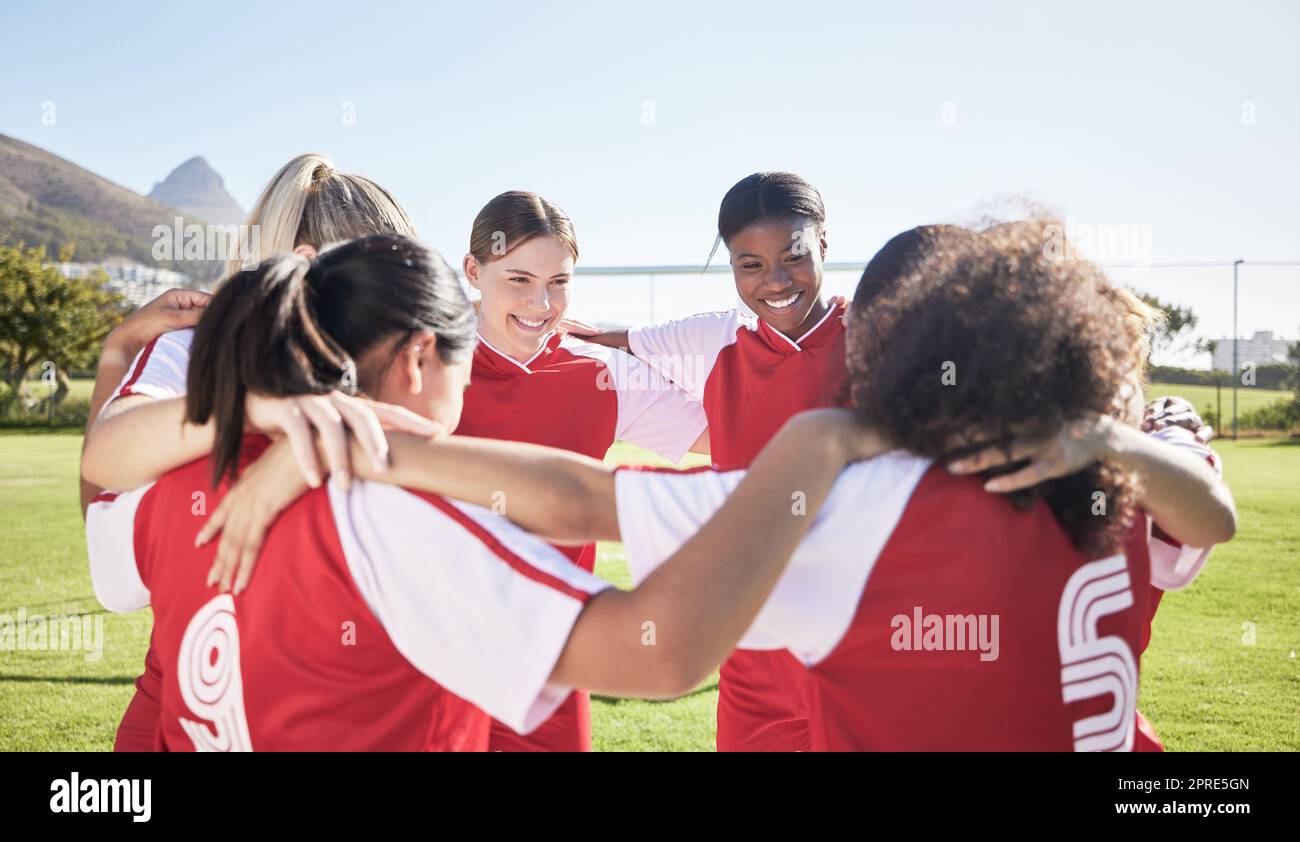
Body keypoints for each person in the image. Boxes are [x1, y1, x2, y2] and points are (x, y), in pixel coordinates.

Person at [195, 220, 1235, 749]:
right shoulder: (1111, 467)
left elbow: (588, 507)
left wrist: (383, 445)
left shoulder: (853, 504)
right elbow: (1210, 515)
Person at [85, 234, 883, 751]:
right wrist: (820, 443)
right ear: (422, 357)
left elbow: (104, 539)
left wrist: (119, 359)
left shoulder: (182, 487)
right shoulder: (403, 526)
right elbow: (663, 648)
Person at [80, 152, 427, 752]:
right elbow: (109, 467)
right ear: (306, 265)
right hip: (191, 716)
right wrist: (245, 403)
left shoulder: (405, 366)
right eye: (386, 274)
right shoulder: (194, 350)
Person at [566, 171, 848, 751]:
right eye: (751, 265)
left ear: (823, 244)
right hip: (751, 637)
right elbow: (598, 342)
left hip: (855, 635)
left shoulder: (877, 336)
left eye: (793, 257)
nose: (775, 281)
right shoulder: (716, 339)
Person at [456, 191, 707, 749]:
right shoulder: (423, 360)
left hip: (553, 661)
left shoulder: (602, 373)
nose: (542, 302)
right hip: (435, 654)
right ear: (474, 270)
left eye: (560, 282)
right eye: (518, 279)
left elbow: (731, 436)